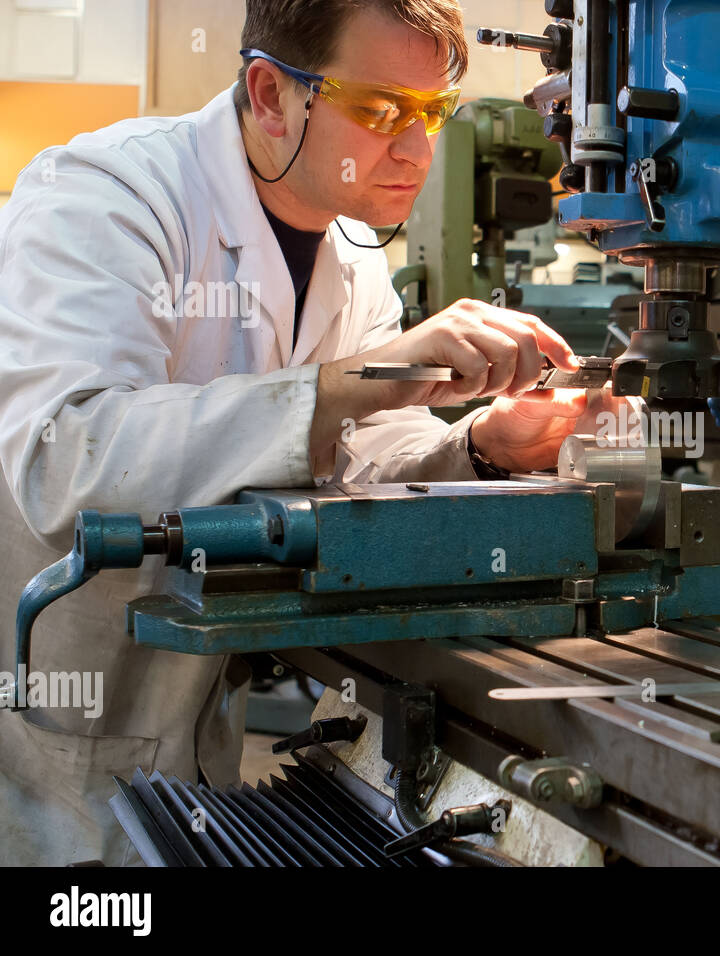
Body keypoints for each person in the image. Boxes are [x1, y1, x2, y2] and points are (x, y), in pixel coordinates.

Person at [0, 0, 589, 865]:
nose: (418, 149)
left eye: (433, 112)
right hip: (49, 738)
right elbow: (65, 458)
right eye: (382, 110)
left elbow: (359, 459)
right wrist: (349, 382)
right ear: (272, 94)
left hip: (197, 727)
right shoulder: (108, 198)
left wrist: (481, 445)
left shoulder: (351, 253)